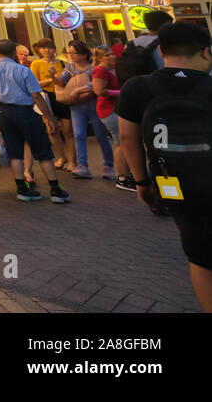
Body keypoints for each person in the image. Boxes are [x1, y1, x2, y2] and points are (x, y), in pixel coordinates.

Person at [117, 20, 212, 311]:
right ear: (206, 52)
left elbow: (127, 137)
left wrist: (142, 182)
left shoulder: (138, 87)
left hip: (171, 183)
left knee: (199, 253)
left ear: (163, 51)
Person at [0, 39, 71, 204]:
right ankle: (56, 189)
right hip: (24, 111)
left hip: (3, 112)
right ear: (14, 53)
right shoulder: (23, 70)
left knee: (14, 152)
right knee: (43, 151)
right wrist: (49, 117)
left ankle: (22, 189)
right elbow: (36, 95)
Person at [61, 40, 115, 179]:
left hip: (94, 104)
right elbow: (62, 82)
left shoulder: (94, 66)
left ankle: (108, 165)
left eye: (74, 52)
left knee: (101, 135)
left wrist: (79, 89)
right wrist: (53, 76)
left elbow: (96, 84)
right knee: (79, 135)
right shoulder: (69, 66)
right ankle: (83, 166)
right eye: (70, 52)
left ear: (84, 54)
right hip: (76, 106)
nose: (71, 55)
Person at [92, 46, 134, 191]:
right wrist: (122, 92)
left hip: (117, 108)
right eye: (107, 55)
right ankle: (122, 177)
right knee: (120, 142)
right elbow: (99, 91)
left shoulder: (113, 69)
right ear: (99, 58)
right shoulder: (100, 70)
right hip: (108, 110)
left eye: (111, 54)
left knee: (123, 142)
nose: (111, 57)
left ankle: (127, 174)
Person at [30, 38, 73, 168]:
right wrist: (51, 79)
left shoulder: (62, 63)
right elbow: (34, 83)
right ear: (38, 50)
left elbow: (67, 81)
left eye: (49, 47)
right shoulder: (36, 63)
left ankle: (73, 160)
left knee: (68, 130)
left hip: (62, 96)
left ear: (54, 49)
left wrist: (55, 79)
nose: (46, 50)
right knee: (52, 130)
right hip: (46, 98)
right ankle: (61, 157)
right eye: (43, 48)